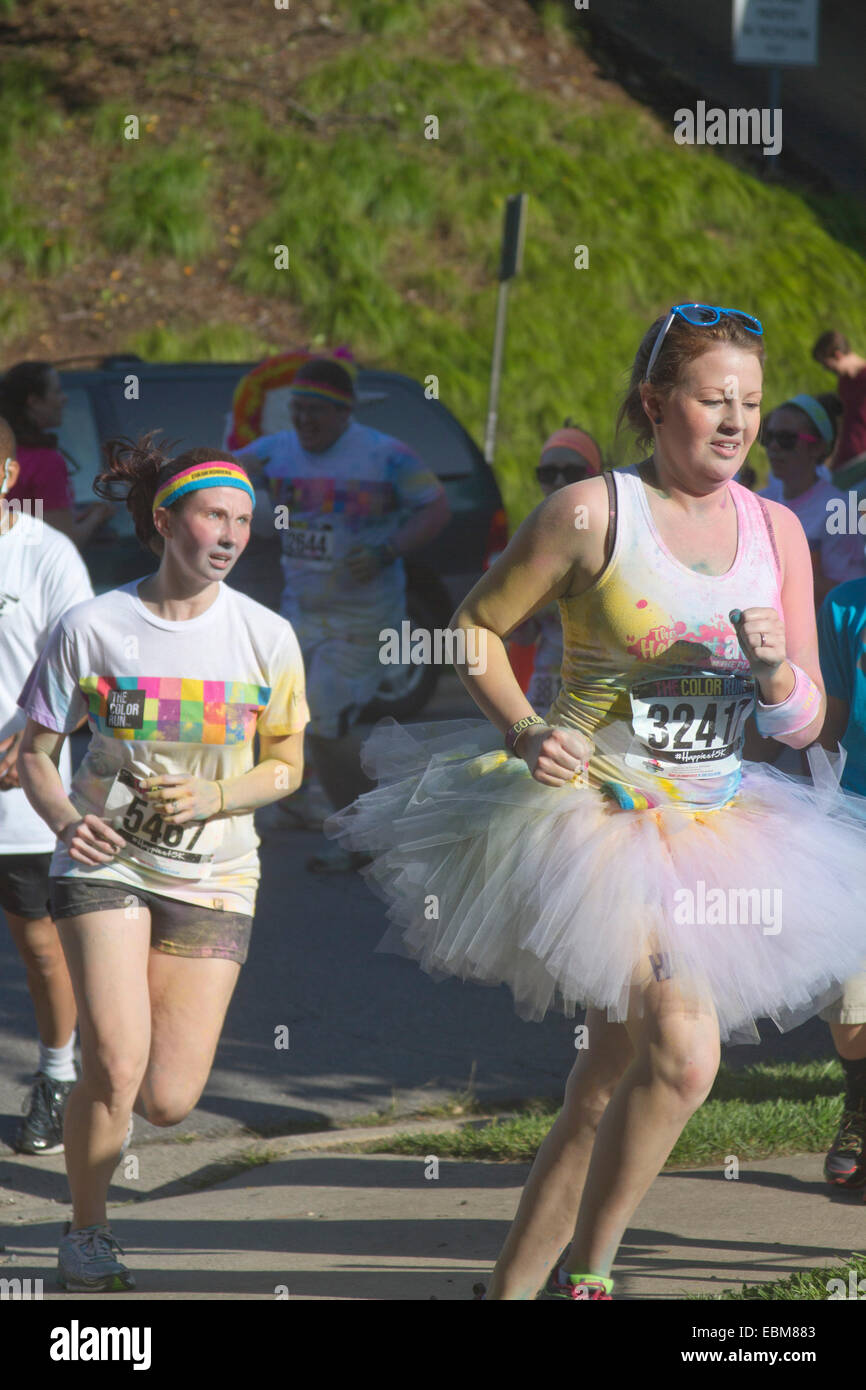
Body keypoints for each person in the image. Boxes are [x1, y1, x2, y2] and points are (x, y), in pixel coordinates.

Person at [325, 302, 866, 1301]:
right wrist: (525, 730)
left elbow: (801, 727)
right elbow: (472, 629)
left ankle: (509, 1288)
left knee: (600, 1086)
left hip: (725, 823)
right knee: (683, 1053)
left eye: (748, 401)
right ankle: (591, 1274)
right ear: (654, 404)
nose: (736, 419)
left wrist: (777, 669)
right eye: (712, 398)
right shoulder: (591, 514)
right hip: (600, 821)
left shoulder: (776, 530)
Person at [16, 437, 310, 1292]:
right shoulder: (94, 626)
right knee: (114, 1061)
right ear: (165, 519)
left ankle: (116, 1119)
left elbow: (289, 762)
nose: (230, 534)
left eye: (244, 520)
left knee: (169, 1097)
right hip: (108, 863)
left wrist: (217, 799)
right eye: (214, 514)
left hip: (216, 874)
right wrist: (71, 819)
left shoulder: (267, 636)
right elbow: (37, 754)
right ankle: (87, 1234)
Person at [235, 356, 450, 872]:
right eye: (297, 410)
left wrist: (386, 549)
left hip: (363, 620)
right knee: (275, 712)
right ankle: (295, 804)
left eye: (316, 412)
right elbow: (217, 468)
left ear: (344, 412)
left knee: (326, 720)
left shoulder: (385, 456)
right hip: (300, 614)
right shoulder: (275, 451)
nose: (304, 422)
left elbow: (436, 507)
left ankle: (363, 834)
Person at [0, 429, 93, 1155]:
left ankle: (60, 1075)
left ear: (7, 473)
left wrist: (25, 740)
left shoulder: (47, 553)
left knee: (40, 944)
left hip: (19, 793)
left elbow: (88, 672)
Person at [815, 578, 866, 1188]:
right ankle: (859, 1102)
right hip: (856, 815)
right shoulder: (845, 604)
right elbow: (827, 719)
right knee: (850, 992)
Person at [509, 425, 602, 714]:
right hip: (547, 685)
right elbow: (522, 637)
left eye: (572, 472)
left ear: (595, 473)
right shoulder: (532, 538)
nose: (559, 481)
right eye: (548, 473)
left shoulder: (616, 528)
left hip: (601, 684)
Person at [759, 395, 866, 604]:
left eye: (786, 439)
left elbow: (849, 594)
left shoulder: (840, 510)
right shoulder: (760, 501)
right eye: (767, 437)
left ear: (817, 447)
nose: (773, 447)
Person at [0, 361, 115, 550]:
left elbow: (27, 515)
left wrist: (78, 515)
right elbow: (66, 540)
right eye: (57, 392)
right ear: (34, 401)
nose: (64, 399)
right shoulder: (45, 462)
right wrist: (97, 516)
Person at [813, 331, 866, 485]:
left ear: (837, 355)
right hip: (845, 460)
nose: (826, 369)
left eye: (826, 364)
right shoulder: (844, 382)